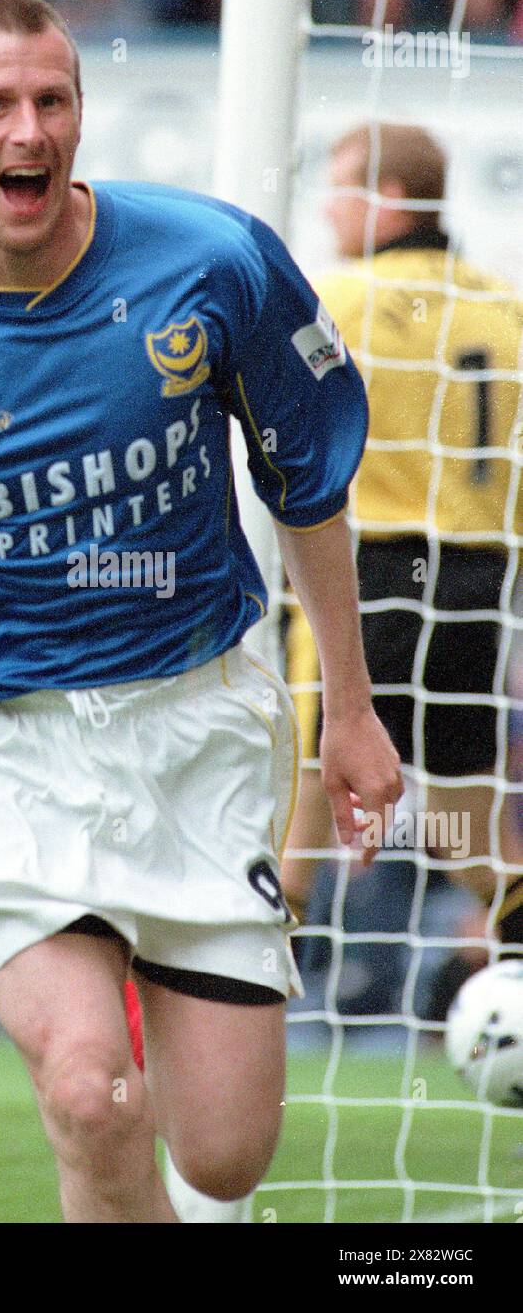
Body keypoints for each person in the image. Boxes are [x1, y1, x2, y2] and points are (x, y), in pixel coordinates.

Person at [0, 0, 401, 1224]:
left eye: (52, 99)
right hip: (0, 746)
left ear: (81, 112)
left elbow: (309, 490)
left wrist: (352, 708)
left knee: (224, 1153)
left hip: (201, 725)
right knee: (90, 1091)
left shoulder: (213, 262)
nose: (29, 129)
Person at [282, 123, 523, 961]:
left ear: (387, 199)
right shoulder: (504, 305)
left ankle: (240, 991)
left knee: (300, 793)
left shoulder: (337, 303)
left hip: (370, 574)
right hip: (480, 581)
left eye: (340, 189)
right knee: (465, 817)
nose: (326, 209)